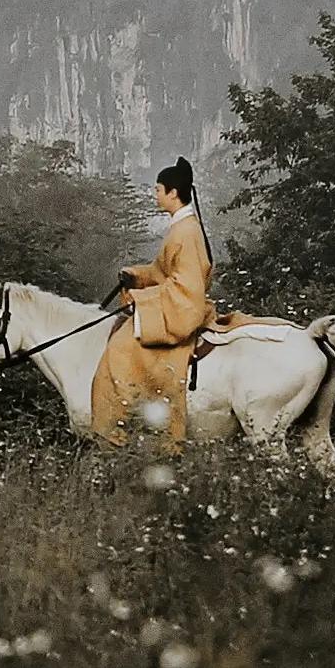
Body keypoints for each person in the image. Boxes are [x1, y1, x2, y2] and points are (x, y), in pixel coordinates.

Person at [90, 156, 216, 450]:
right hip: (174, 301)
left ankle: (121, 424)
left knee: (120, 347)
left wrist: (141, 297)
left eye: (159, 189)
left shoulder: (184, 231)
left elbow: (186, 288)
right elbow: (164, 272)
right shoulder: (182, 227)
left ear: (173, 193)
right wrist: (137, 275)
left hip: (183, 308)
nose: (155, 195)